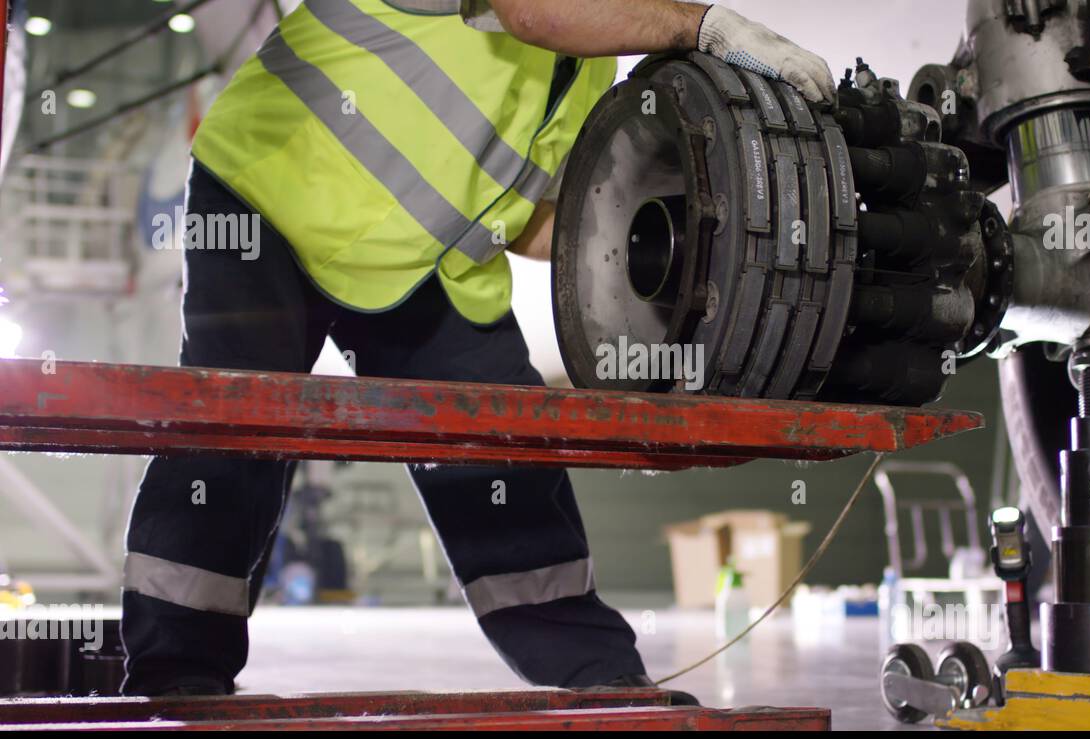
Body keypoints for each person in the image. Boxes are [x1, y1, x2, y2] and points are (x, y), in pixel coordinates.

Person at [120, 0, 835, 697]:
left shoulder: (582, 70)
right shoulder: (561, 20)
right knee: (237, 429)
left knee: (502, 445)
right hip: (271, 194)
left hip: (420, 257)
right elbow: (528, 10)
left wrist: (684, 245)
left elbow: (528, 220)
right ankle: (176, 672)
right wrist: (704, 25)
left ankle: (594, 675)